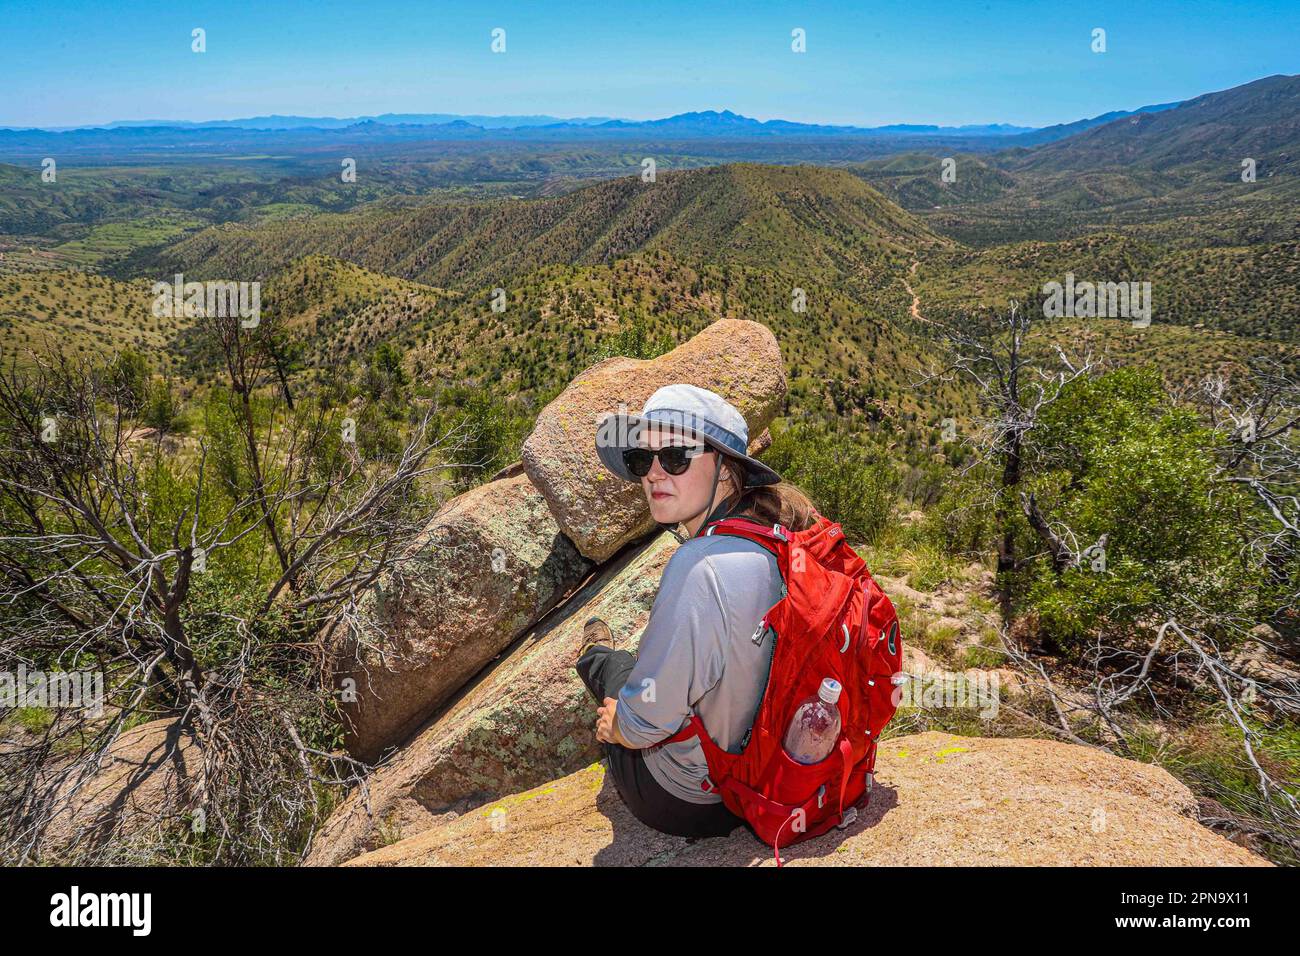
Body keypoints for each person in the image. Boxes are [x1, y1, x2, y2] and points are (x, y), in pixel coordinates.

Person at [575, 383, 818, 838]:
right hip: (776, 774)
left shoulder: (698, 566)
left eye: (674, 457)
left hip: (697, 798)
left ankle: (592, 657)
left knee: (617, 672)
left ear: (726, 471)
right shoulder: (779, 536)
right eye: (640, 460)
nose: (652, 474)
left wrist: (618, 726)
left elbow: (648, 723)